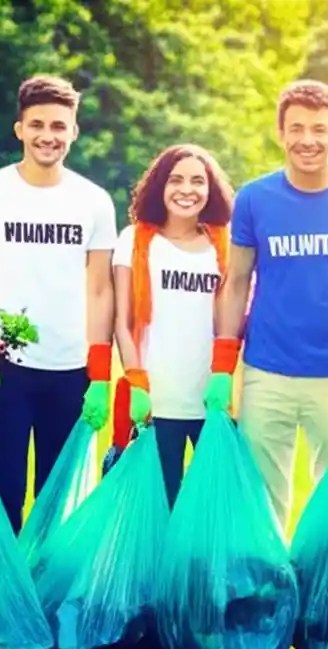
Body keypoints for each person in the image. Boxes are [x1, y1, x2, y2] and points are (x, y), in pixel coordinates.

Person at [204, 79, 328, 531]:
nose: (307, 140)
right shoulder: (254, 199)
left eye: (318, 129)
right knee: (261, 500)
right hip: (266, 372)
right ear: (281, 133)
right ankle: (271, 577)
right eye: (296, 129)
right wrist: (222, 367)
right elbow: (236, 282)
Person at [0, 74, 118, 533]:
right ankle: (7, 580)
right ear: (19, 129)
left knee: (56, 497)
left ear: (74, 132)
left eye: (59, 126)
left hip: (71, 366)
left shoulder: (94, 201)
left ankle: (46, 579)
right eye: (38, 124)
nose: (48, 135)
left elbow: (101, 290)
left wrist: (100, 374)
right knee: (6, 487)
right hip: (6, 365)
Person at [111, 144, 235, 506]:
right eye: (176, 180)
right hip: (155, 402)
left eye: (198, 181)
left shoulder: (224, 246)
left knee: (211, 507)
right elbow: (123, 322)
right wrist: (136, 381)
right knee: (159, 506)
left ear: (210, 190)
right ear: (160, 186)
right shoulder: (134, 240)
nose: (187, 189)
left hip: (211, 402)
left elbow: (230, 325)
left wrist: (226, 381)